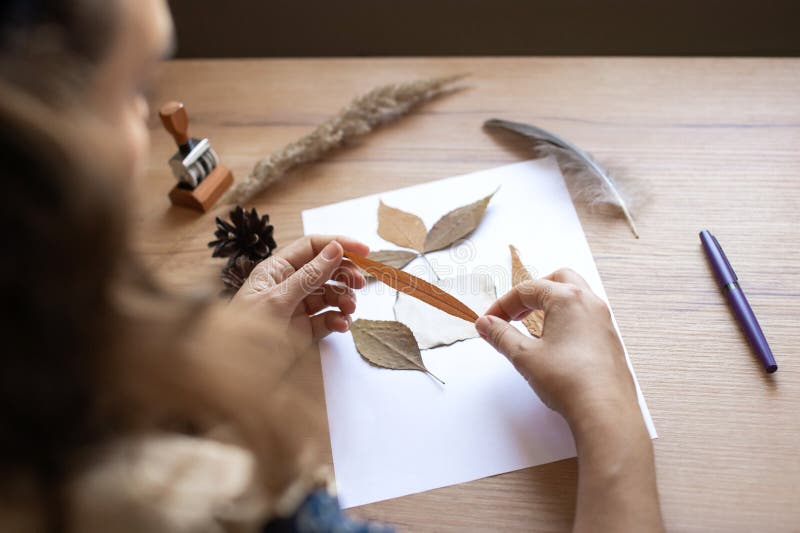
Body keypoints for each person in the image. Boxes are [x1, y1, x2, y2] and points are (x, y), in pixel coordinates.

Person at [0, 0, 663, 531]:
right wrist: (613, 419)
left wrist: (222, 371)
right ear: (48, 155)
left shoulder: (49, 380)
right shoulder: (193, 507)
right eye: (134, 88)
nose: (148, 117)